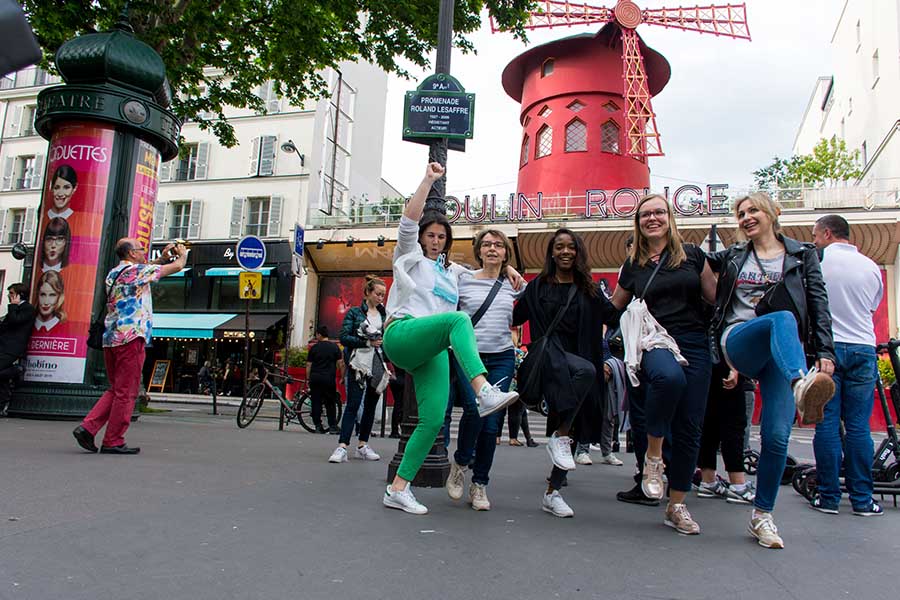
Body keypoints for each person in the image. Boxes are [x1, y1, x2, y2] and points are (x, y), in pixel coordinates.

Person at [381, 162, 518, 515]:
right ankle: (483, 390)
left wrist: (507, 268)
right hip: (403, 332)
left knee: (430, 422)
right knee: (459, 319)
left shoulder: (452, 271)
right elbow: (408, 221)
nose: (435, 241)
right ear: (422, 237)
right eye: (431, 235)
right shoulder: (409, 256)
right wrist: (428, 180)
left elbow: (485, 271)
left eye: (441, 237)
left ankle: (398, 489)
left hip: (432, 349)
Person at [707, 192, 835, 548]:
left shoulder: (803, 254)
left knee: (777, 437)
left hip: (781, 354)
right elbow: (692, 259)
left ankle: (762, 516)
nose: (746, 217)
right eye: (741, 213)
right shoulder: (732, 255)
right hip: (739, 340)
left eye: (753, 210)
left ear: (773, 213)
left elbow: (819, 304)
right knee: (782, 318)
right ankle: (801, 384)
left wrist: (825, 351)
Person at [611, 194, 718, 535]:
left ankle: (677, 505)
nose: (652, 218)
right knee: (669, 379)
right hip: (654, 338)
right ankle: (654, 455)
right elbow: (613, 306)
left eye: (659, 212)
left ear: (670, 217)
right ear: (638, 223)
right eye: (645, 214)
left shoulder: (693, 255)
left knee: (690, 425)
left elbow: (716, 297)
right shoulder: (633, 264)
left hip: (694, 341)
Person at [513, 228, 615, 518]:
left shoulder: (589, 289)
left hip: (577, 364)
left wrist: (634, 286)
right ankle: (558, 438)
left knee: (570, 427)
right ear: (551, 252)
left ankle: (552, 492)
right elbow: (515, 315)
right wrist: (506, 273)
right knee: (585, 374)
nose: (565, 251)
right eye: (559, 247)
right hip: (550, 359)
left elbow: (612, 314)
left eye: (571, 246)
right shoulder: (538, 286)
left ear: (578, 251)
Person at [73, 239, 187, 455]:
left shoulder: (115, 273)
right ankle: (113, 440)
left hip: (111, 338)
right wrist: (182, 254)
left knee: (116, 388)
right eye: (140, 249)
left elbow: (144, 271)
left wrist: (161, 259)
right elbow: (177, 267)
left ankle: (88, 427)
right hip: (131, 337)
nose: (143, 252)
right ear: (132, 253)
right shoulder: (136, 271)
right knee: (126, 392)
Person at [810, 214, 884, 516]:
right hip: (863, 347)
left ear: (827, 234)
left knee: (827, 423)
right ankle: (863, 500)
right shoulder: (870, 266)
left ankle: (828, 497)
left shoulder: (818, 264)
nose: (814, 241)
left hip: (826, 350)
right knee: (858, 426)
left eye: (815, 236)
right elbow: (872, 307)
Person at [445, 229, 524, 511]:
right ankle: (461, 462)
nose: (492, 249)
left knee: (492, 424)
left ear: (505, 253)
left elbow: (537, 299)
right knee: (474, 409)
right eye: (487, 244)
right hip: (470, 357)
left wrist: (511, 271)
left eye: (499, 245)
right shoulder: (464, 279)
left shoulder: (514, 283)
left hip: (502, 356)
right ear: (478, 250)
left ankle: (480, 483)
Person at [330, 275, 389, 463]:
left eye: (383, 295)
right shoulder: (355, 313)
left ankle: (363, 444)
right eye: (378, 294)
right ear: (368, 293)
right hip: (359, 363)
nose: (381, 298)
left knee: (370, 406)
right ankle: (342, 446)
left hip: (377, 362)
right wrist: (367, 342)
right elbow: (344, 337)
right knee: (353, 404)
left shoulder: (384, 315)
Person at [695, 361, 756, 504]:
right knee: (733, 424)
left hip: (705, 365)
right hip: (725, 363)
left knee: (710, 423)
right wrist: (734, 367)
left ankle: (708, 481)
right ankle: (737, 485)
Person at [0, 283, 35, 415]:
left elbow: (16, 321)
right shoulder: (14, 309)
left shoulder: (27, 309)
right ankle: (2, 404)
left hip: (12, 348)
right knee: (2, 378)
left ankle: (15, 370)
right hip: (3, 345)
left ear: (19, 295)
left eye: (12, 293)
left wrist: (13, 306)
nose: (9, 296)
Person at [306, 325, 344, 434]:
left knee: (316, 401)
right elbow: (340, 363)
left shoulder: (314, 348)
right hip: (328, 378)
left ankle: (318, 426)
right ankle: (332, 426)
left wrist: (308, 378)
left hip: (315, 378)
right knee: (330, 402)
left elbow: (308, 365)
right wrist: (342, 377)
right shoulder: (335, 347)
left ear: (319, 334)